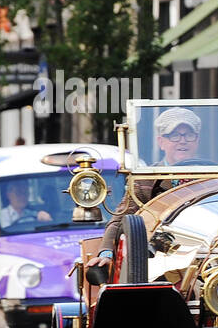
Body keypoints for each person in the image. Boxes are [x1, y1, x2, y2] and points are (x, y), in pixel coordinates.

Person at [87, 107, 203, 273]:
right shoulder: (146, 178)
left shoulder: (216, 177)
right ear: (161, 141)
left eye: (189, 135)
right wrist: (106, 253)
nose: (182, 141)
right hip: (162, 261)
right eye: (174, 136)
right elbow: (121, 218)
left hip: (208, 253)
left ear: (197, 140)